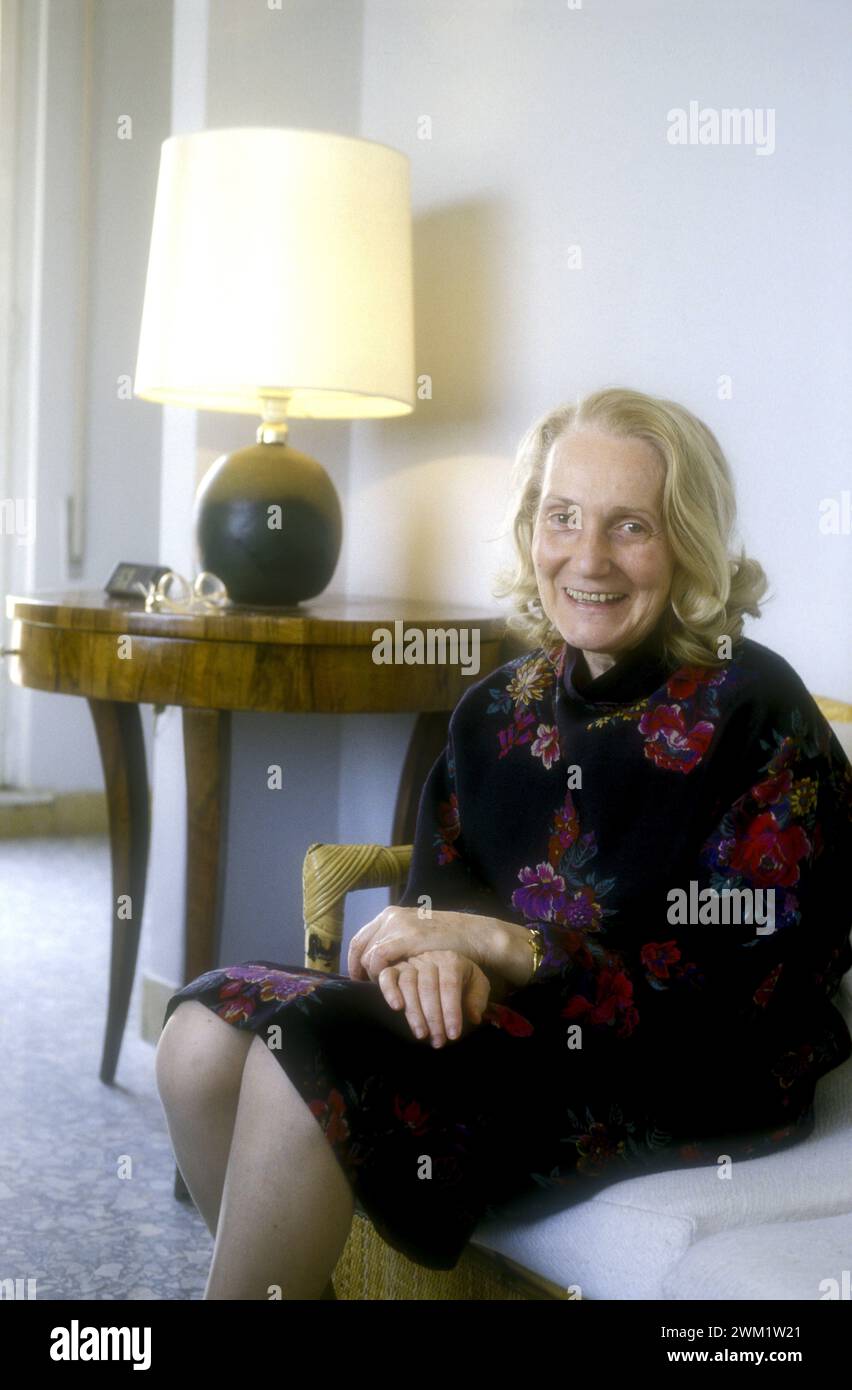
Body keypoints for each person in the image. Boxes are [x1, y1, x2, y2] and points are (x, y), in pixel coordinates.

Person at [155, 386, 852, 1300]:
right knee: (200, 1031)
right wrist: (435, 958)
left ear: (685, 541)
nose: (588, 557)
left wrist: (504, 947)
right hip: (518, 1025)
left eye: (630, 525)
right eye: (562, 517)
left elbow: (752, 976)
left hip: (697, 1062)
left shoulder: (756, 706)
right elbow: (437, 909)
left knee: (311, 1052)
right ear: (532, 528)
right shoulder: (496, 709)